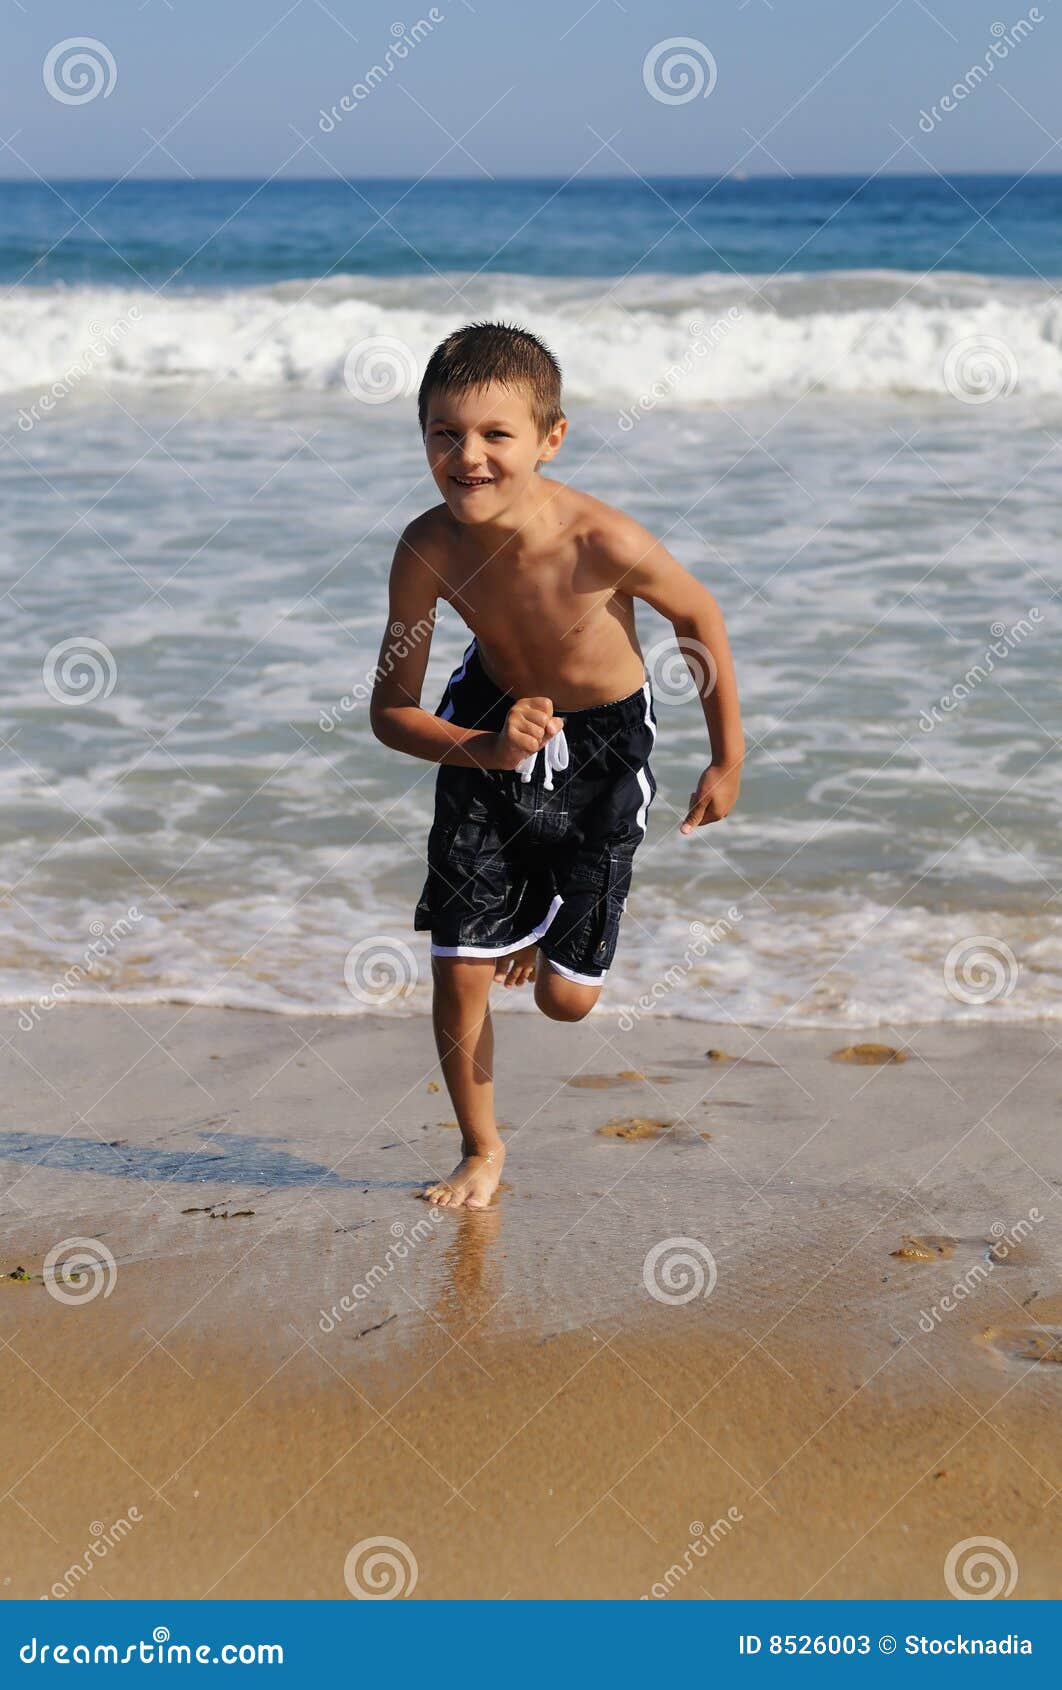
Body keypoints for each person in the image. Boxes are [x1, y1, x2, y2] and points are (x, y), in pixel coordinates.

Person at [369, 321, 743, 1209]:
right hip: (489, 721)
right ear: (423, 436)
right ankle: (481, 1148)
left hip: (607, 744)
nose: (470, 456)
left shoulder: (601, 541)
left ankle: (544, 929)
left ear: (550, 438)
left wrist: (727, 757)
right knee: (459, 965)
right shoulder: (426, 550)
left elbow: (700, 620)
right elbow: (390, 713)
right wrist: (486, 748)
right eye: (445, 434)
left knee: (566, 1005)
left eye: (497, 434)